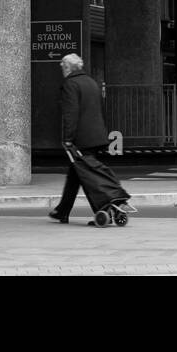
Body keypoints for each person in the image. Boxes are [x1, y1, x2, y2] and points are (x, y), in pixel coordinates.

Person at [49, 53, 133, 224]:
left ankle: (103, 209)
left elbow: (71, 113)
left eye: (63, 66)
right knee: (77, 174)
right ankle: (62, 211)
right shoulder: (91, 82)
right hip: (96, 136)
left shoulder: (71, 84)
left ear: (68, 67)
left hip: (81, 138)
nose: (62, 69)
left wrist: (67, 138)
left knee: (88, 175)